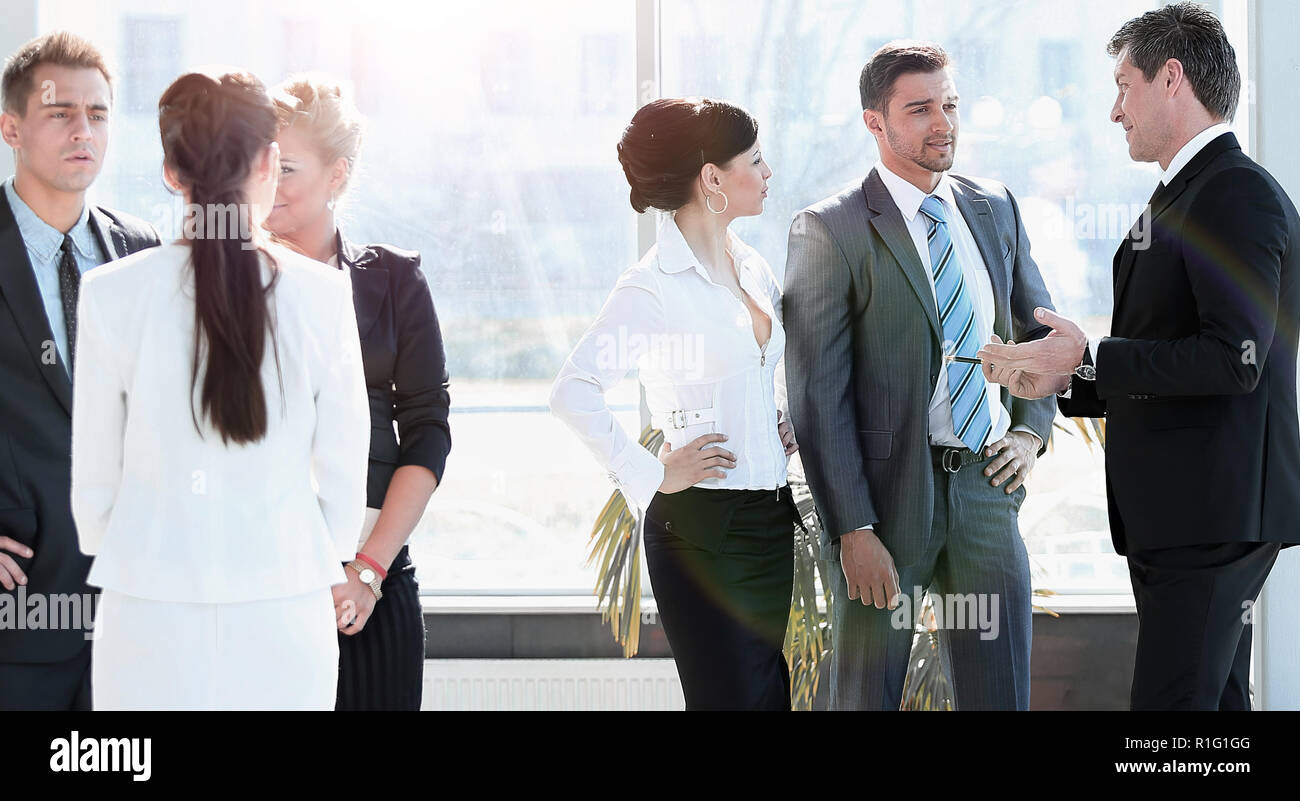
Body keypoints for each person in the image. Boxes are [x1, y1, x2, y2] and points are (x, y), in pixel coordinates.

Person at [979, 3, 1300, 710]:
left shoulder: (1233, 192)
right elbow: (1175, 349)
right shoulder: (1192, 192)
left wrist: (1092, 354)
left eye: (1124, 86)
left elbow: (1232, 358)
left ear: (1172, 78)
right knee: (1211, 710)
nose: (1114, 111)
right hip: (1191, 515)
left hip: (1211, 516)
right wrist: (1073, 372)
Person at [69, 70, 370, 710]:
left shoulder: (109, 294)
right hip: (284, 608)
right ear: (268, 162)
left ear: (173, 173)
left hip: (145, 610)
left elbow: (93, 502)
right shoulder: (323, 296)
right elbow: (346, 489)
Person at [783, 41, 1057, 711]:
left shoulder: (994, 206)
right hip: (882, 508)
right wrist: (852, 529)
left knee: (1001, 699)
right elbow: (818, 397)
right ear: (875, 123)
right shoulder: (831, 229)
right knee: (863, 698)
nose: (944, 123)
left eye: (951, 105)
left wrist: (1030, 434)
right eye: (920, 109)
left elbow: (1041, 334)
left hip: (987, 496)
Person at [550, 98, 799, 710]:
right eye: (756, 159)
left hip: (770, 520)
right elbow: (572, 390)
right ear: (713, 178)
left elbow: (759, 369)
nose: (768, 172)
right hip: (701, 533)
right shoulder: (651, 287)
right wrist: (653, 473)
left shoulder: (752, 265)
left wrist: (781, 421)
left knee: (770, 699)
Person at [267, 75, 451, 711]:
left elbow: (427, 431)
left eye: (287, 167)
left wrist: (368, 571)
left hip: (372, 579)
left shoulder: (394, 279)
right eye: (259, 163)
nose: (268, 182)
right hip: (261, 580)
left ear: (337, 174)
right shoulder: (226, 283)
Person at [0, 31, 159, 711]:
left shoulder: (144, 251)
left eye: (97, 113)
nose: (82, 130)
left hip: (138, 611)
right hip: (19, 610)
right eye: (59, 111)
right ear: (11, 127)